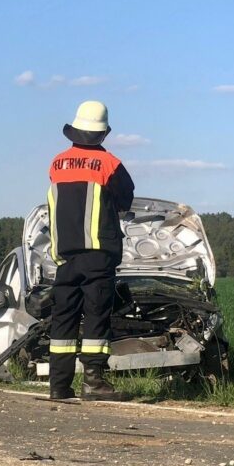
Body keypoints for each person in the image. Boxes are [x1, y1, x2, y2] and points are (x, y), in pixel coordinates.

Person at [46, 100, 136, 401]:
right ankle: (93, 382)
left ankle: (59, 385)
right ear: (103, 133)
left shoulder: (57, 163)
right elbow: (125, 198)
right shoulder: (109, 164)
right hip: (98, 252)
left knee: (63, 318)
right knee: (96, 315)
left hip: (64, 255)